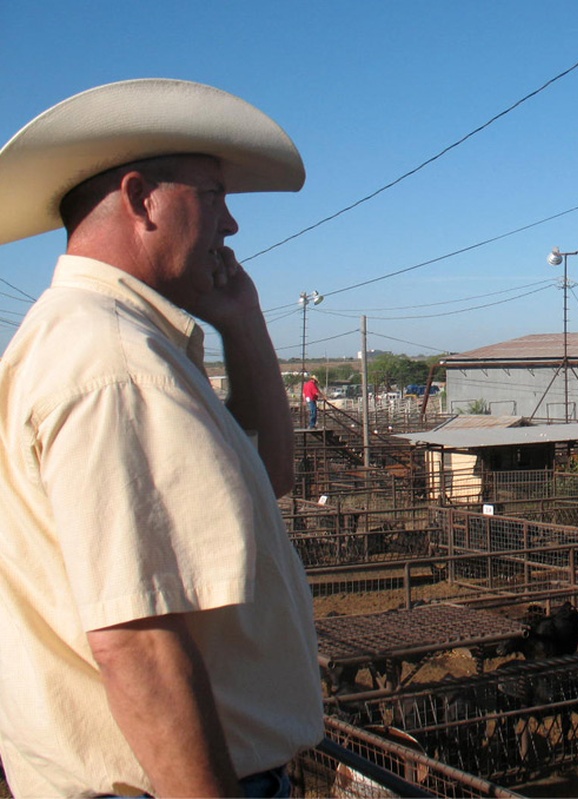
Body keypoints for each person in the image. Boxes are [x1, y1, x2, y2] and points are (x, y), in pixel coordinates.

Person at [0, 79, 323, 796]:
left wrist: (241, 319)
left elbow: (267, 474)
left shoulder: (98, 342)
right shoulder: (114, 363)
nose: (232, 225)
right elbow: (135, 642)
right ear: (143, 198)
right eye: (214, 194)